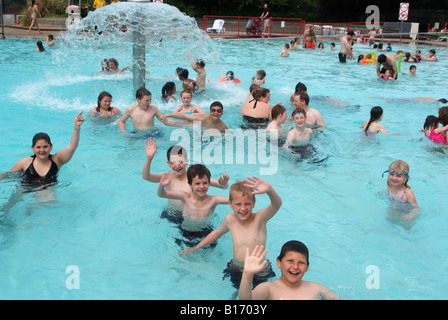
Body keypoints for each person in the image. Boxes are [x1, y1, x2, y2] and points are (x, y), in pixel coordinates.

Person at [180, 177, 282, 290]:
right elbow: (216, 234)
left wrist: (269, 190)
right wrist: (196, 247)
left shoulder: (259, 219)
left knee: (259, 296)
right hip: (237, 268)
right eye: (238, 204)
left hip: (259, 270)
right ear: (230, 204)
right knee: (238, 293)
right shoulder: (230, 220)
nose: (243, 208)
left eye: (247, 204)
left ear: (253, 203)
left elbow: (277, 204)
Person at [142, 140, 230, 215]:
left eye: (180, 161)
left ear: (186, 161)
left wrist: (224, 184)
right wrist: (149, 159)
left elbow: (223, 186)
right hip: (172, 214)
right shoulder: (167, 178)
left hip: (191, 213)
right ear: (168, 163)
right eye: (173, 162)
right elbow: (146, 177)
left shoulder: (196, 177)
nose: (177, 165)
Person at [4, 112, 85, 187]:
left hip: (47, 188)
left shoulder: (57, 159)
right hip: (26, 186)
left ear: (51, 147)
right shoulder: (25, 163)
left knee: (48, 199)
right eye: (38, 147)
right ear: (33, 148)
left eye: (45, 146)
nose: (42, 150)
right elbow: (7, 175)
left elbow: (72, 146)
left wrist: (76, 128)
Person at [238, 242, 340, 300]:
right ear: (279, 262)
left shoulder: (317, 289)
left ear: (307, 267)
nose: (295, 267)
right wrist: (247, 274)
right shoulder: (269, 289)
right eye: (290, 261)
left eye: (301, 263)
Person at [157, 164, 229, 239]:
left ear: (209, 184)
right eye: (197, 183)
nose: (201, 187)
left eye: (205, 183)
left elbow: (232, 200)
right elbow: (161, 194)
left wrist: (241, 190)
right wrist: (161, 185)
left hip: (205, 232)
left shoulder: (214, 200)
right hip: (185, 231)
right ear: (190, 185)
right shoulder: (185, 197)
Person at [119, 87, 183, 134]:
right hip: (137, 134)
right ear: (138, 100)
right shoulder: (131, 110)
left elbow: (166, 121)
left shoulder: (153, 109)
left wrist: (184, 124)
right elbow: (121, 121)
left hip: (152, 133)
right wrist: (123, 131)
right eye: (147, 100)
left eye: (150, 100)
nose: (149, 102)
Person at [162, 101, 228, 132]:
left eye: (218, 111)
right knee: (189, 125)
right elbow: (184, 115)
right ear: (210, 112)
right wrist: (168, 115)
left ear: (222, 113)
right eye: (213, 110)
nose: (216, 112)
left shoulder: (223, 127)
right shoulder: (201, 118)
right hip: (196, 130)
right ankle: (168, 122)